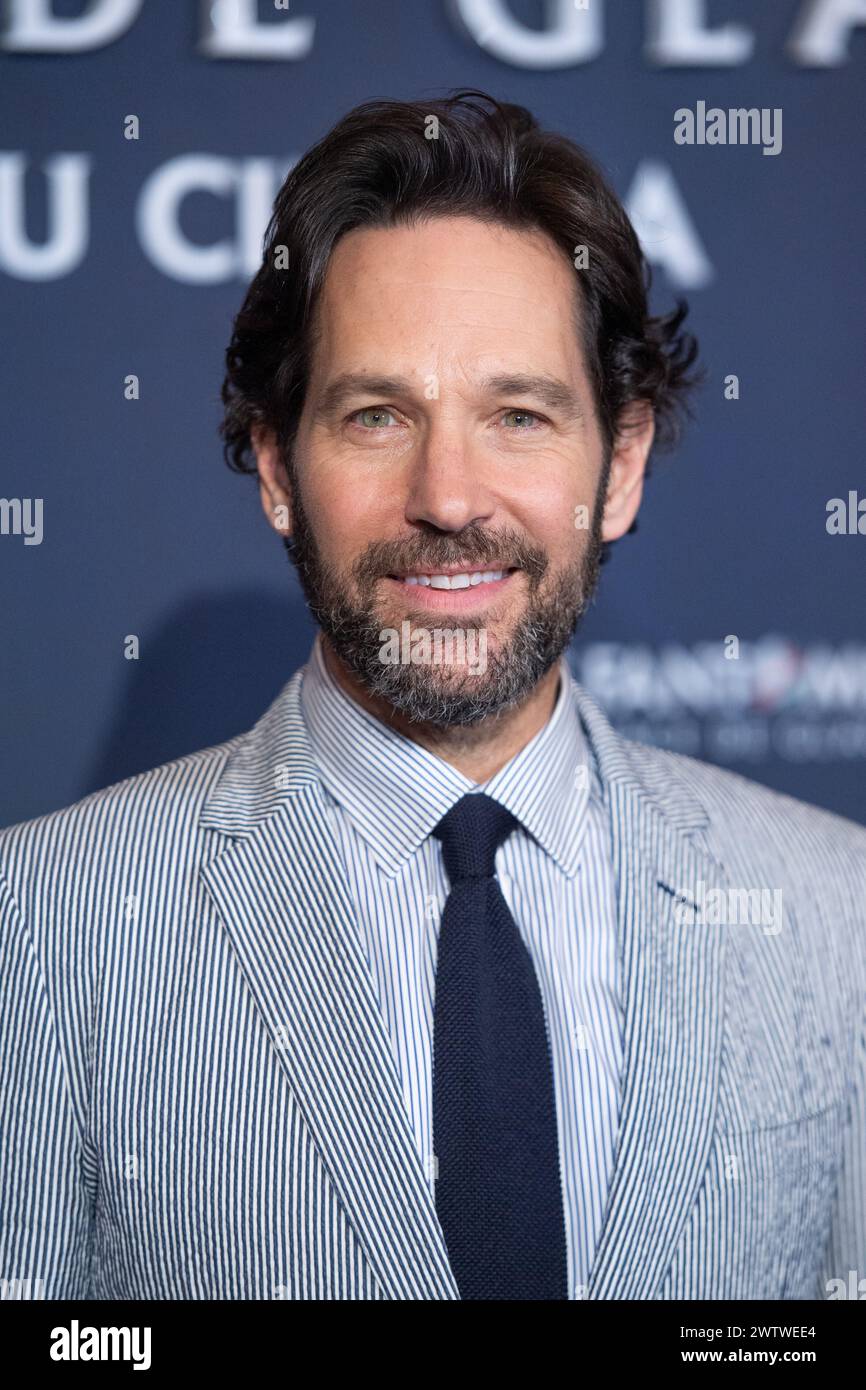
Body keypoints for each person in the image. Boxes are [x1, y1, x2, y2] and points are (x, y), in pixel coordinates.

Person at [1, 91, 863, 1301]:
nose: (448, 496)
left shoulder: (833, 911)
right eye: (375, 416)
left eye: (517, 415)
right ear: (275, 466)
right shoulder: (44, 924)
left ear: (617, 466)